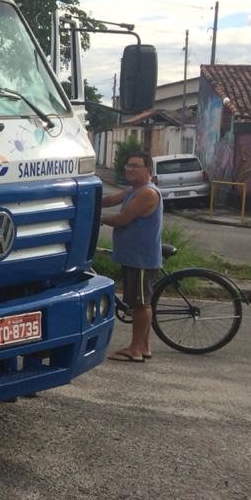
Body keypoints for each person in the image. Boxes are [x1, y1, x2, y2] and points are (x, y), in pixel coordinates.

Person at [101, 150, 163, 362]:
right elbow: (109, 200)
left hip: (141, 258)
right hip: (132, 257)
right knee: (140, 302)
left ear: (148, 169)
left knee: (141, 304)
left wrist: (97, 219)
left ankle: (135, 349)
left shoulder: (147, 193)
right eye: (128, 165)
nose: (130, 169)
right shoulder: (133, 190)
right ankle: (143, 346)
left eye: (136, 166)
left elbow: (123, 219)